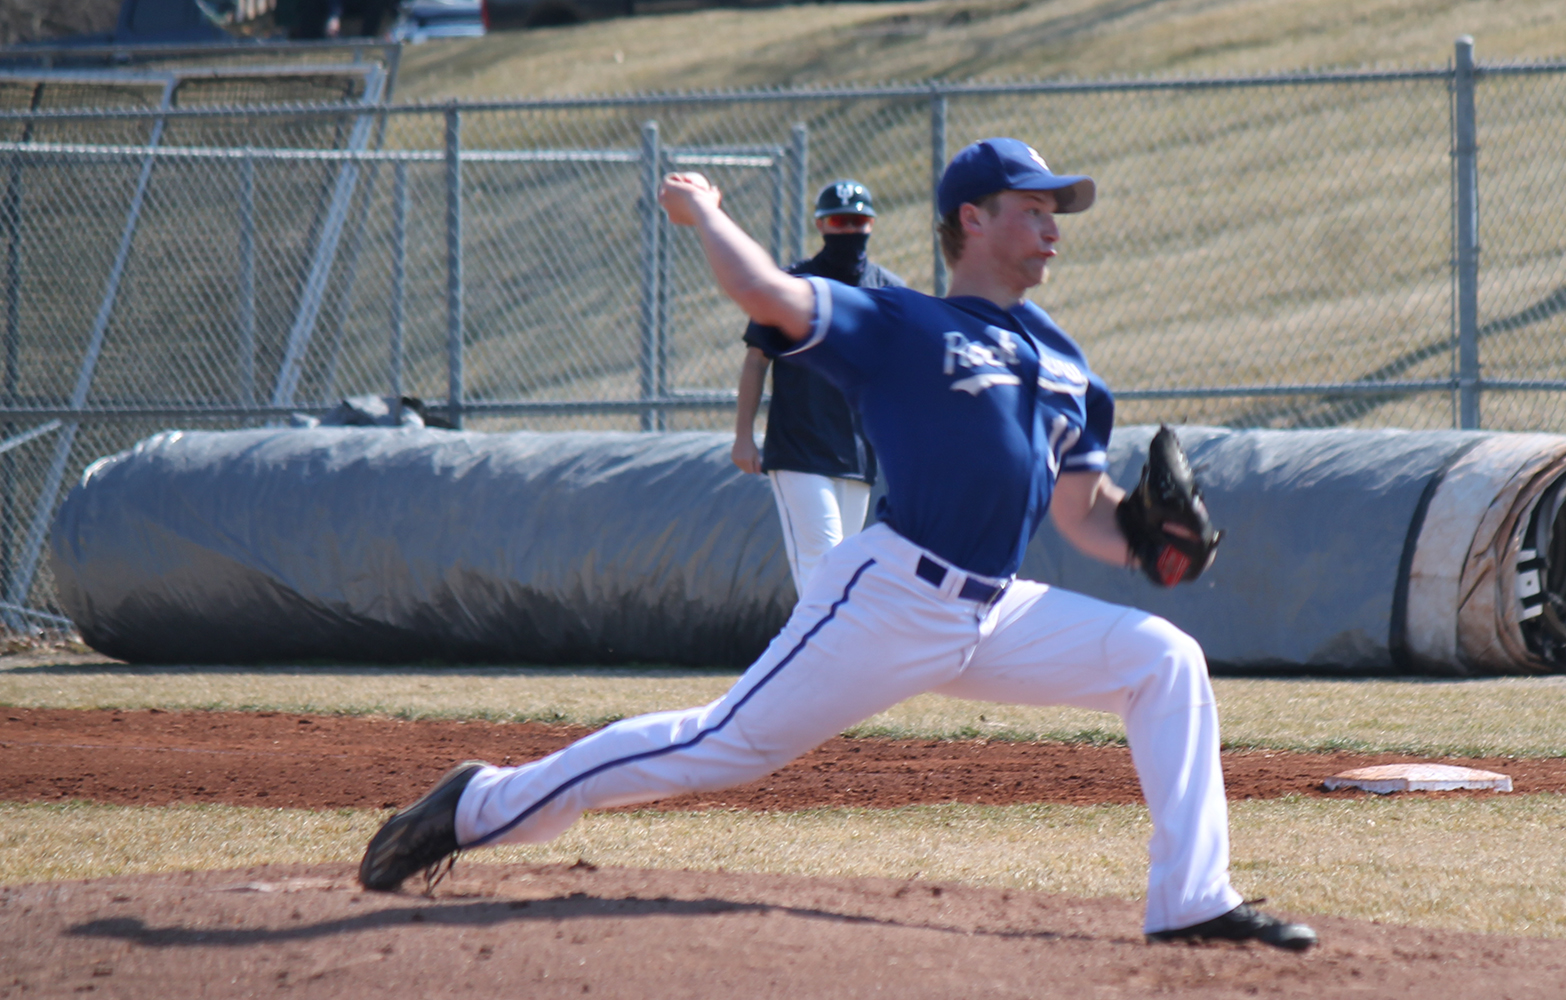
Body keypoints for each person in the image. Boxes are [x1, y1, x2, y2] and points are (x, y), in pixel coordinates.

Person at [358, 138, 1317, 952]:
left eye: (1056, 210)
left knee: (1165, 660)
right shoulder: (903, 323)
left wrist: (1153, 545)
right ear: (971, 221)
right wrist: (706, 214)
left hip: (994, 607)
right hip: (890, 597)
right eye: (1034, 208)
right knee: (721, 745)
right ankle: (476, 804)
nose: (1054, 226)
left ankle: (1193, 901)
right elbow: (768, 293)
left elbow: (1081, 514)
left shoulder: (1066, 363)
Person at [733, 180, 905, 593]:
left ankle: (839, 656)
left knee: (846, 568)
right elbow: (756, 360)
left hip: (858, 452)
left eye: (858, 220)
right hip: (800, 448)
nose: (849, 230)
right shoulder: (793, 285)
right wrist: (743, 436)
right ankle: (813, 655)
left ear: (872, 224)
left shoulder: (888, 291)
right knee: (822, 565)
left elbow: (906, 374)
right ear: (820, 225)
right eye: (839, 221)